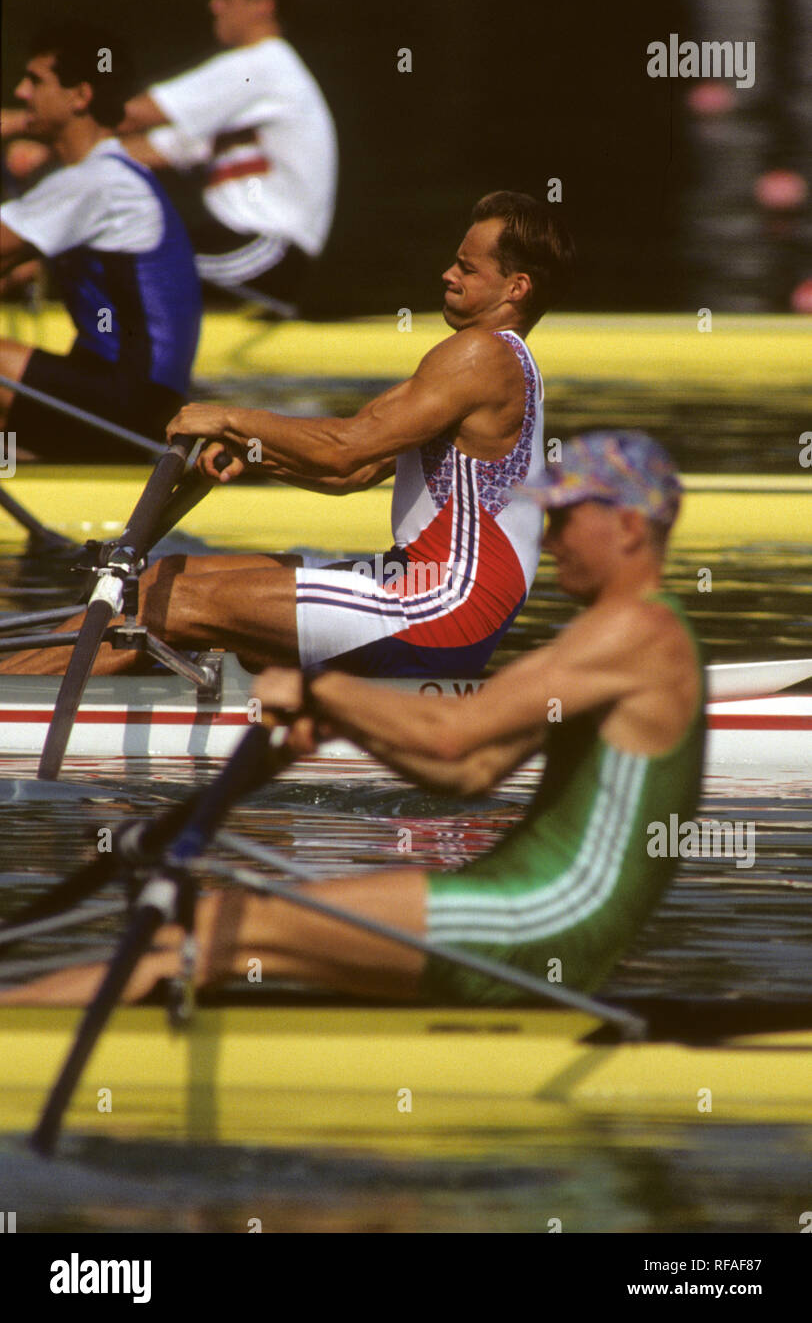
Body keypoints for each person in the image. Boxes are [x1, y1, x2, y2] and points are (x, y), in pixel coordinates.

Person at [1, 432, 706, 1008]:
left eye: (563, 519)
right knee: (221, 929)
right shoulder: (620, 634)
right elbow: (467, 770)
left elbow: (454, 733)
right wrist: (347, 723)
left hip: (540, 916)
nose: (548, 541)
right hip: (534, 910)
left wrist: (323, 693)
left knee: (221, 923)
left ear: (628, 525)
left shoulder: (633, 632)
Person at [1, 190, 575, 680]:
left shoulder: (480, 356)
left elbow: (348, 445)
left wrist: (226, 418)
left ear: (516, 287)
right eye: (455, 261)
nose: (448, 274)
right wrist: (255, 456)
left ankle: (15, 699)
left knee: (156, 601)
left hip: (439, 605)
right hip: (429, 594)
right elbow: (349, 471)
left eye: (468, 268)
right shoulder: (491, 364)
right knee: (163, 575)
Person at [0, 22, 202, 460]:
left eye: (35, 80)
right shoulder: (106, 175)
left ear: (80, 96)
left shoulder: (99, 181)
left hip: (126, 405)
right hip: (121, 394)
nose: (20, 92)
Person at [118, 0, 337, 310]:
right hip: (240, 247)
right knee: (107, 243)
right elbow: (151, 150)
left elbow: (133, 116)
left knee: (120, 260)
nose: (213, 6)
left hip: (266, 251)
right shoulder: (241, 92)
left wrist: (28, 129)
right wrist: (59, 156)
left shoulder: (262, 66)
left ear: (263, 5)